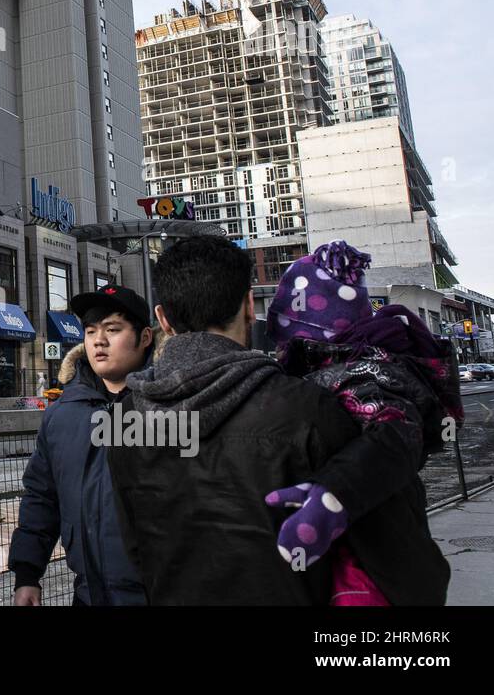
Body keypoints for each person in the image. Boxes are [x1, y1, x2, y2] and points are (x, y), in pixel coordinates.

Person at [107, 234, 446, 605]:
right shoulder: (308, 407)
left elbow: (136, 550)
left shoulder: (124, 421)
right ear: (249, 306)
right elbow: (398, 551)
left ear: (163, 319)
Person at [265, 241, 458, 604]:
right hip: (373, 559)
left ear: (309, 333)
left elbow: (396, 433)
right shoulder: (340, 369)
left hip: (375, 573)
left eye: (283, 334)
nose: (278, 347)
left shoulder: (362, 373)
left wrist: (332, 497)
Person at [10, 286, 152, 606]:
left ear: (145, 337)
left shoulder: (173, 407)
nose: (98, 340)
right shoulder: (62, 414)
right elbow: (42, 497)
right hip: (88, 595)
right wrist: (27, 575)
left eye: (113, 330)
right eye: (90, 331)